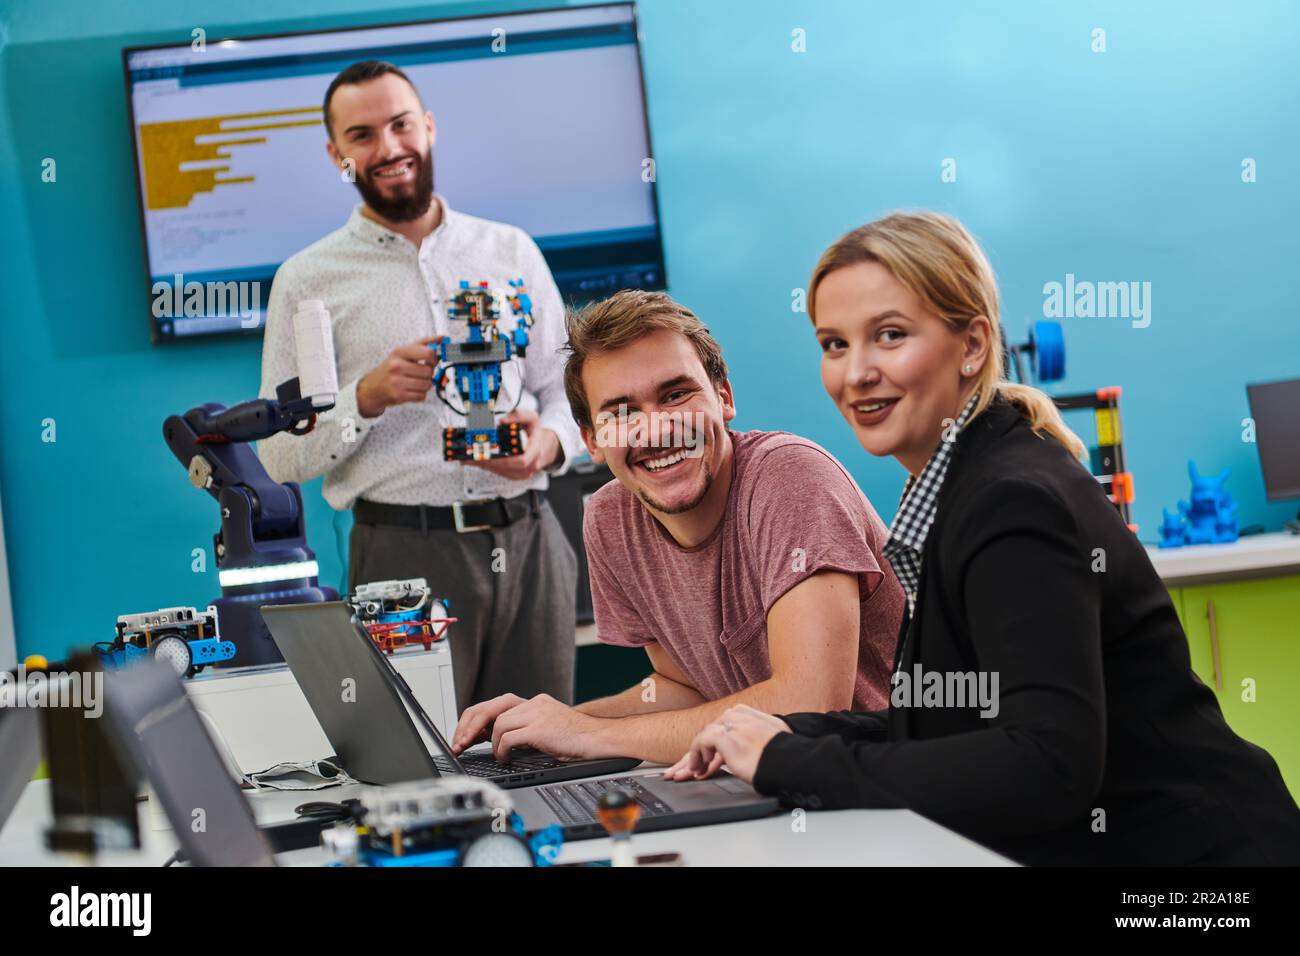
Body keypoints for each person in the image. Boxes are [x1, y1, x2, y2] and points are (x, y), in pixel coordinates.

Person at [668, 211, 1300, 865]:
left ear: (972, 345)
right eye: (834, 344)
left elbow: (1045, 762)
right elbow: (954, 721)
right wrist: (787, 734)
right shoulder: (960, 486)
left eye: (889, 335)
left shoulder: (1011, 502)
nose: (855, 373)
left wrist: (792, 761)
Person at [450, 290, 905, 764]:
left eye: (675, 395)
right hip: (774, 786)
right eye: (621, 412)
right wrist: (549, 725)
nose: (657, 429)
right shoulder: (609, 519)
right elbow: (687, 688)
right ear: (593, 442)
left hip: (891, 788)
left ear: (723, 397)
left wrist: (590, 735)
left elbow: (809, 709)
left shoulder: (792, 478)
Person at [257, 61, 581, 713]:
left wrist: (547, 446)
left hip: (533, 544)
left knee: (548, 754)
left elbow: (572, 398)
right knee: (426, 759)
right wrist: (365, 398)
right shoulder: (307, 280)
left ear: (428, 127)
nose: (389, 148)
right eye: (362, 135)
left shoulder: (510, 250)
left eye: (401, 125)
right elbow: (280, 457)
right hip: (404, 554)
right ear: (336, 154)